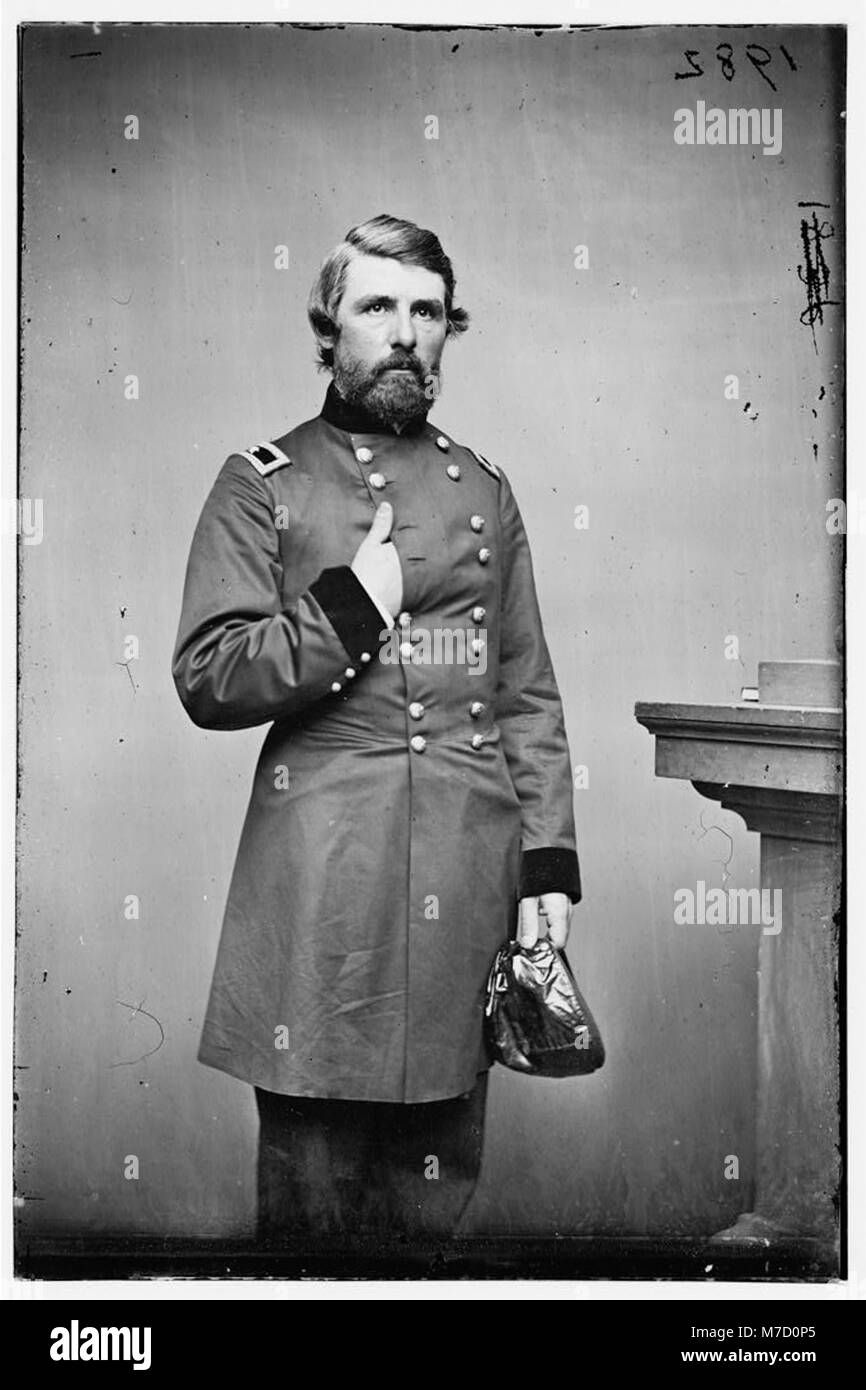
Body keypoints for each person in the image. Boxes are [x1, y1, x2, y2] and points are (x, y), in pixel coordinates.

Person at [172, 214, 581, 1253]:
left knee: (427, 1220)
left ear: (448, 332)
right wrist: (353, 605)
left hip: (465, 885)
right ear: (327, 329)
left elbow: (526, 693)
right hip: (321, 895)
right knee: (311, 1219)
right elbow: (209, 673)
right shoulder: (259, 481)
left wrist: (543, 872)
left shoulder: (484, 488)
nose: (404, 332)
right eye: (377, 307)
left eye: (426, 311)